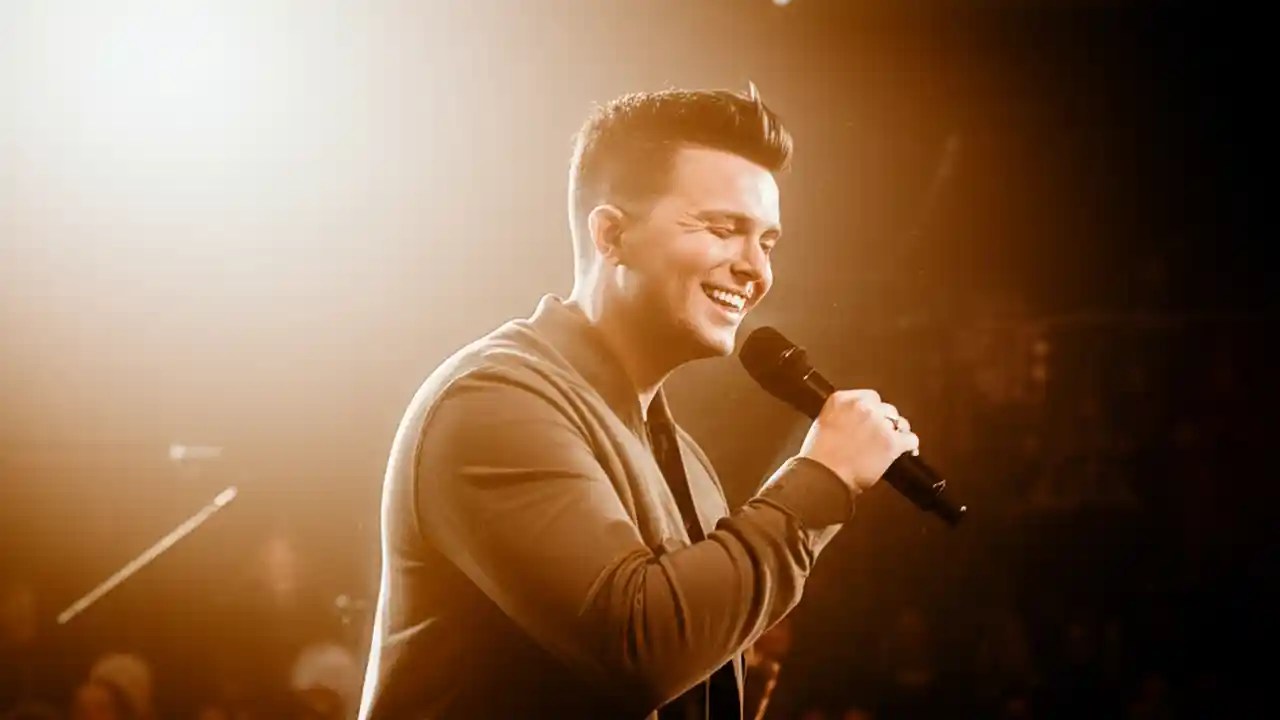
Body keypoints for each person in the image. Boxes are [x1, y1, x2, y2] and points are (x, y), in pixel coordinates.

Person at [358, 85, 921, 719]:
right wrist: (821, 480)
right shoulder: (492, 402)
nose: (755, 269)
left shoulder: (681, 456)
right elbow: (638, 645)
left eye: (767, 242)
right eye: (723, 229)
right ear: (612, 235)